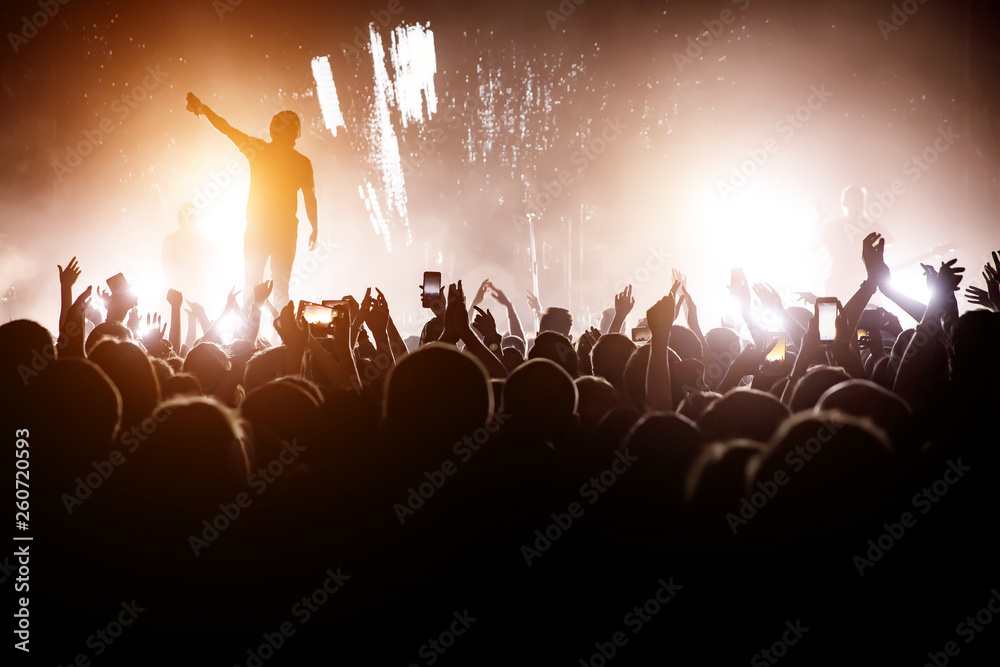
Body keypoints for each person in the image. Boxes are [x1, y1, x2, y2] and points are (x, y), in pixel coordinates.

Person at [186, 93, 319, 309]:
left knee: (251, 282)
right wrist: (315, 227)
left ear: (273, 130)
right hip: (285, 231)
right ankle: (283, 335)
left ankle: (245, 333)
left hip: (258, 228)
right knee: (281, 287)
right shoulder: (302, 163)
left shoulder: (259, 151)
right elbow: (309, 198)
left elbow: (227, 129)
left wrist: (203, 108)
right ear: (295, 133)